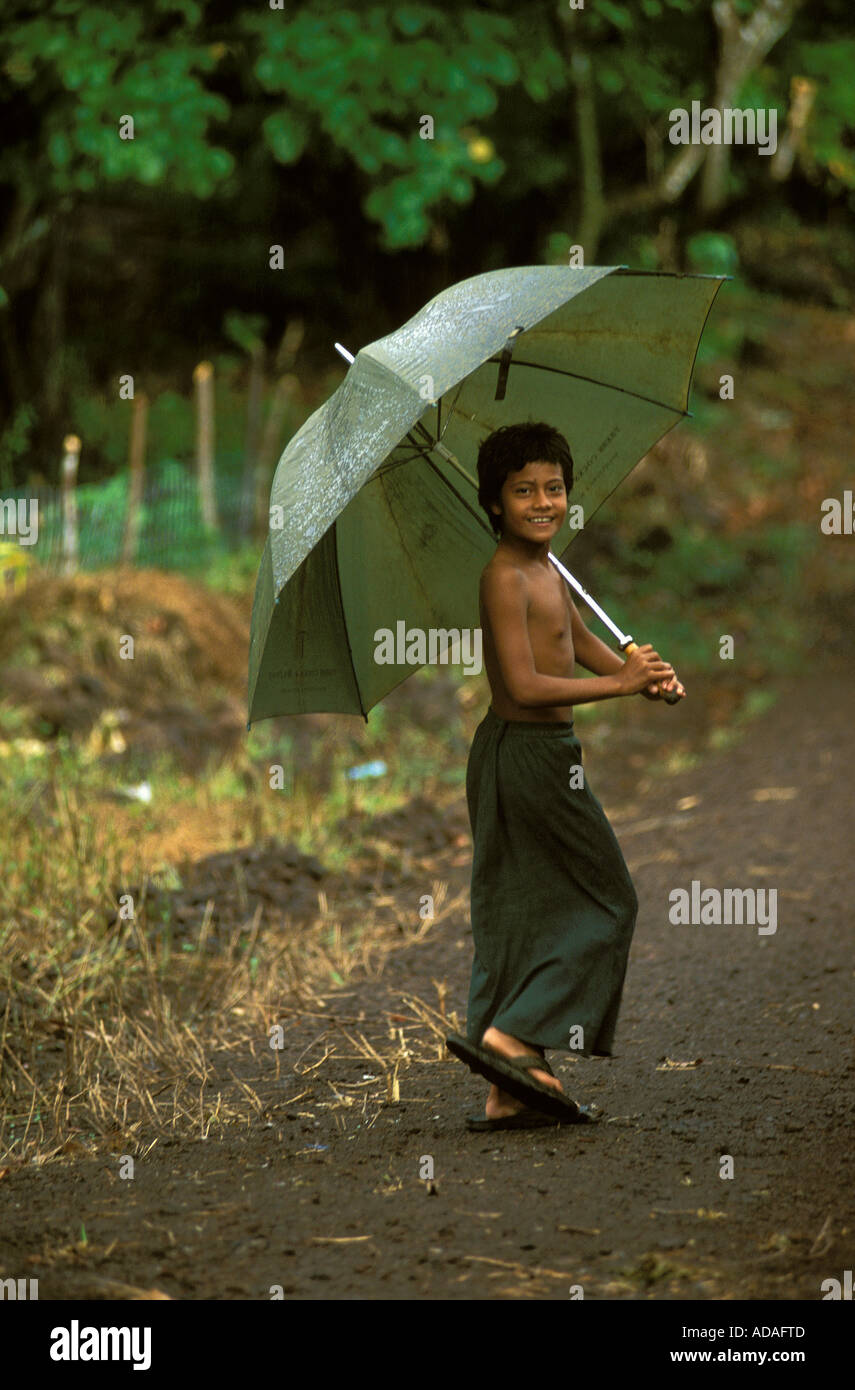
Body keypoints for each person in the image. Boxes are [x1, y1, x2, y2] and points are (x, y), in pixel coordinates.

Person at [445, 422, 685, 1131]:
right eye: (523, 491)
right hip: (523, 754)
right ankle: (514, 1035)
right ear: (493, 504)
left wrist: (639, 676)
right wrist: (617, 691)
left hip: (542, 757)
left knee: (524, 906)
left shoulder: (550, 570)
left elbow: (578, 645)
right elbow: (522, 685)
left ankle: (509, 1083)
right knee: (608, 900)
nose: (542, 502)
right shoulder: (502, 577)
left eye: (553, 488)